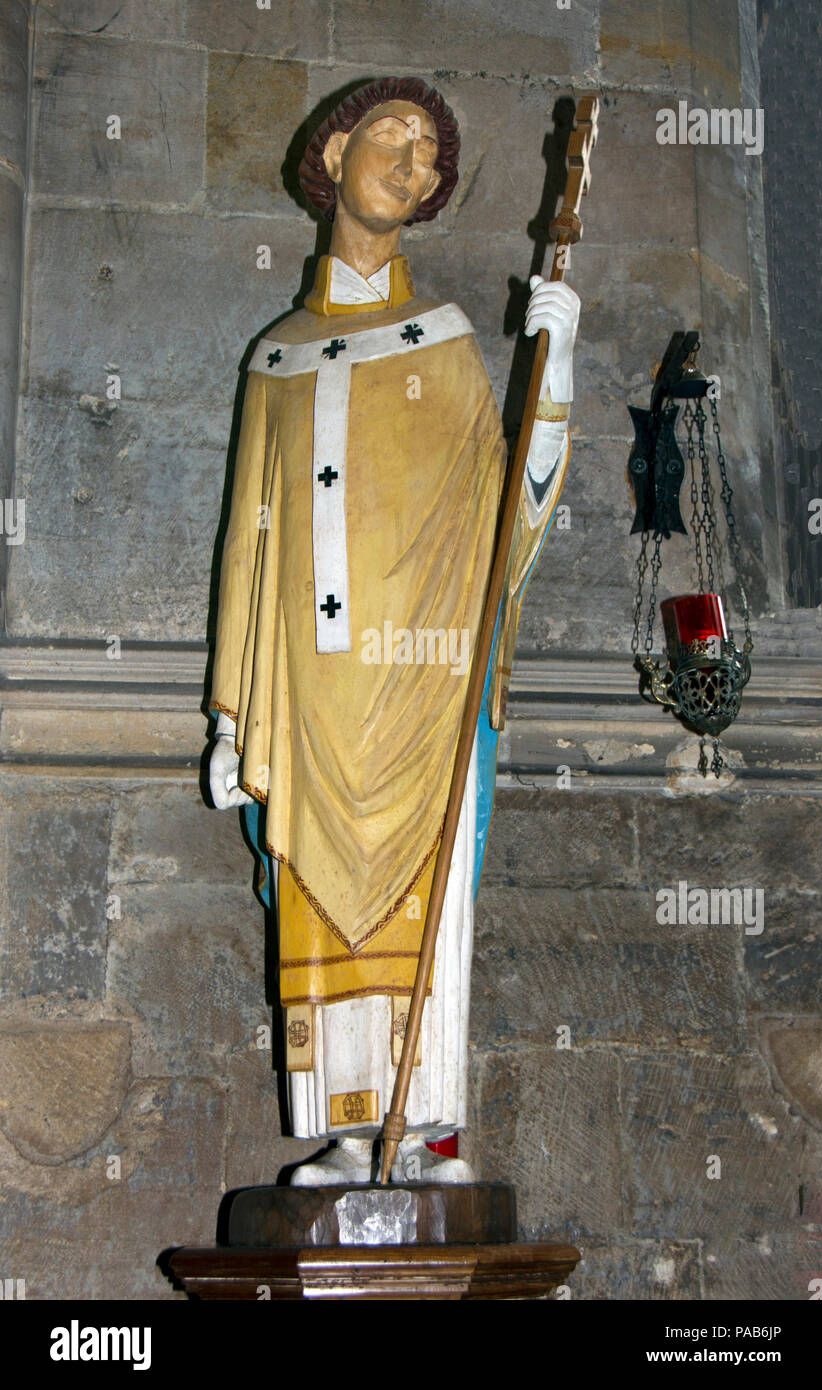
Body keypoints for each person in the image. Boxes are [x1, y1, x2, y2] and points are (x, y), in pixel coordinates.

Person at [208, 76, 579, 1185]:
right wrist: (236, 711)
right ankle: (347, 1119)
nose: (412, 165)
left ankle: (418, 1128)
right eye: (393, 138)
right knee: (317, 890)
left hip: (421, 686)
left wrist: (553, 378)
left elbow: (506, 517)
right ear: (332, 154)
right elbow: (248, 546)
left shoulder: (447, 339)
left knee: (422, 887)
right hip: (311, 696)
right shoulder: (274, 357)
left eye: (429, 156)